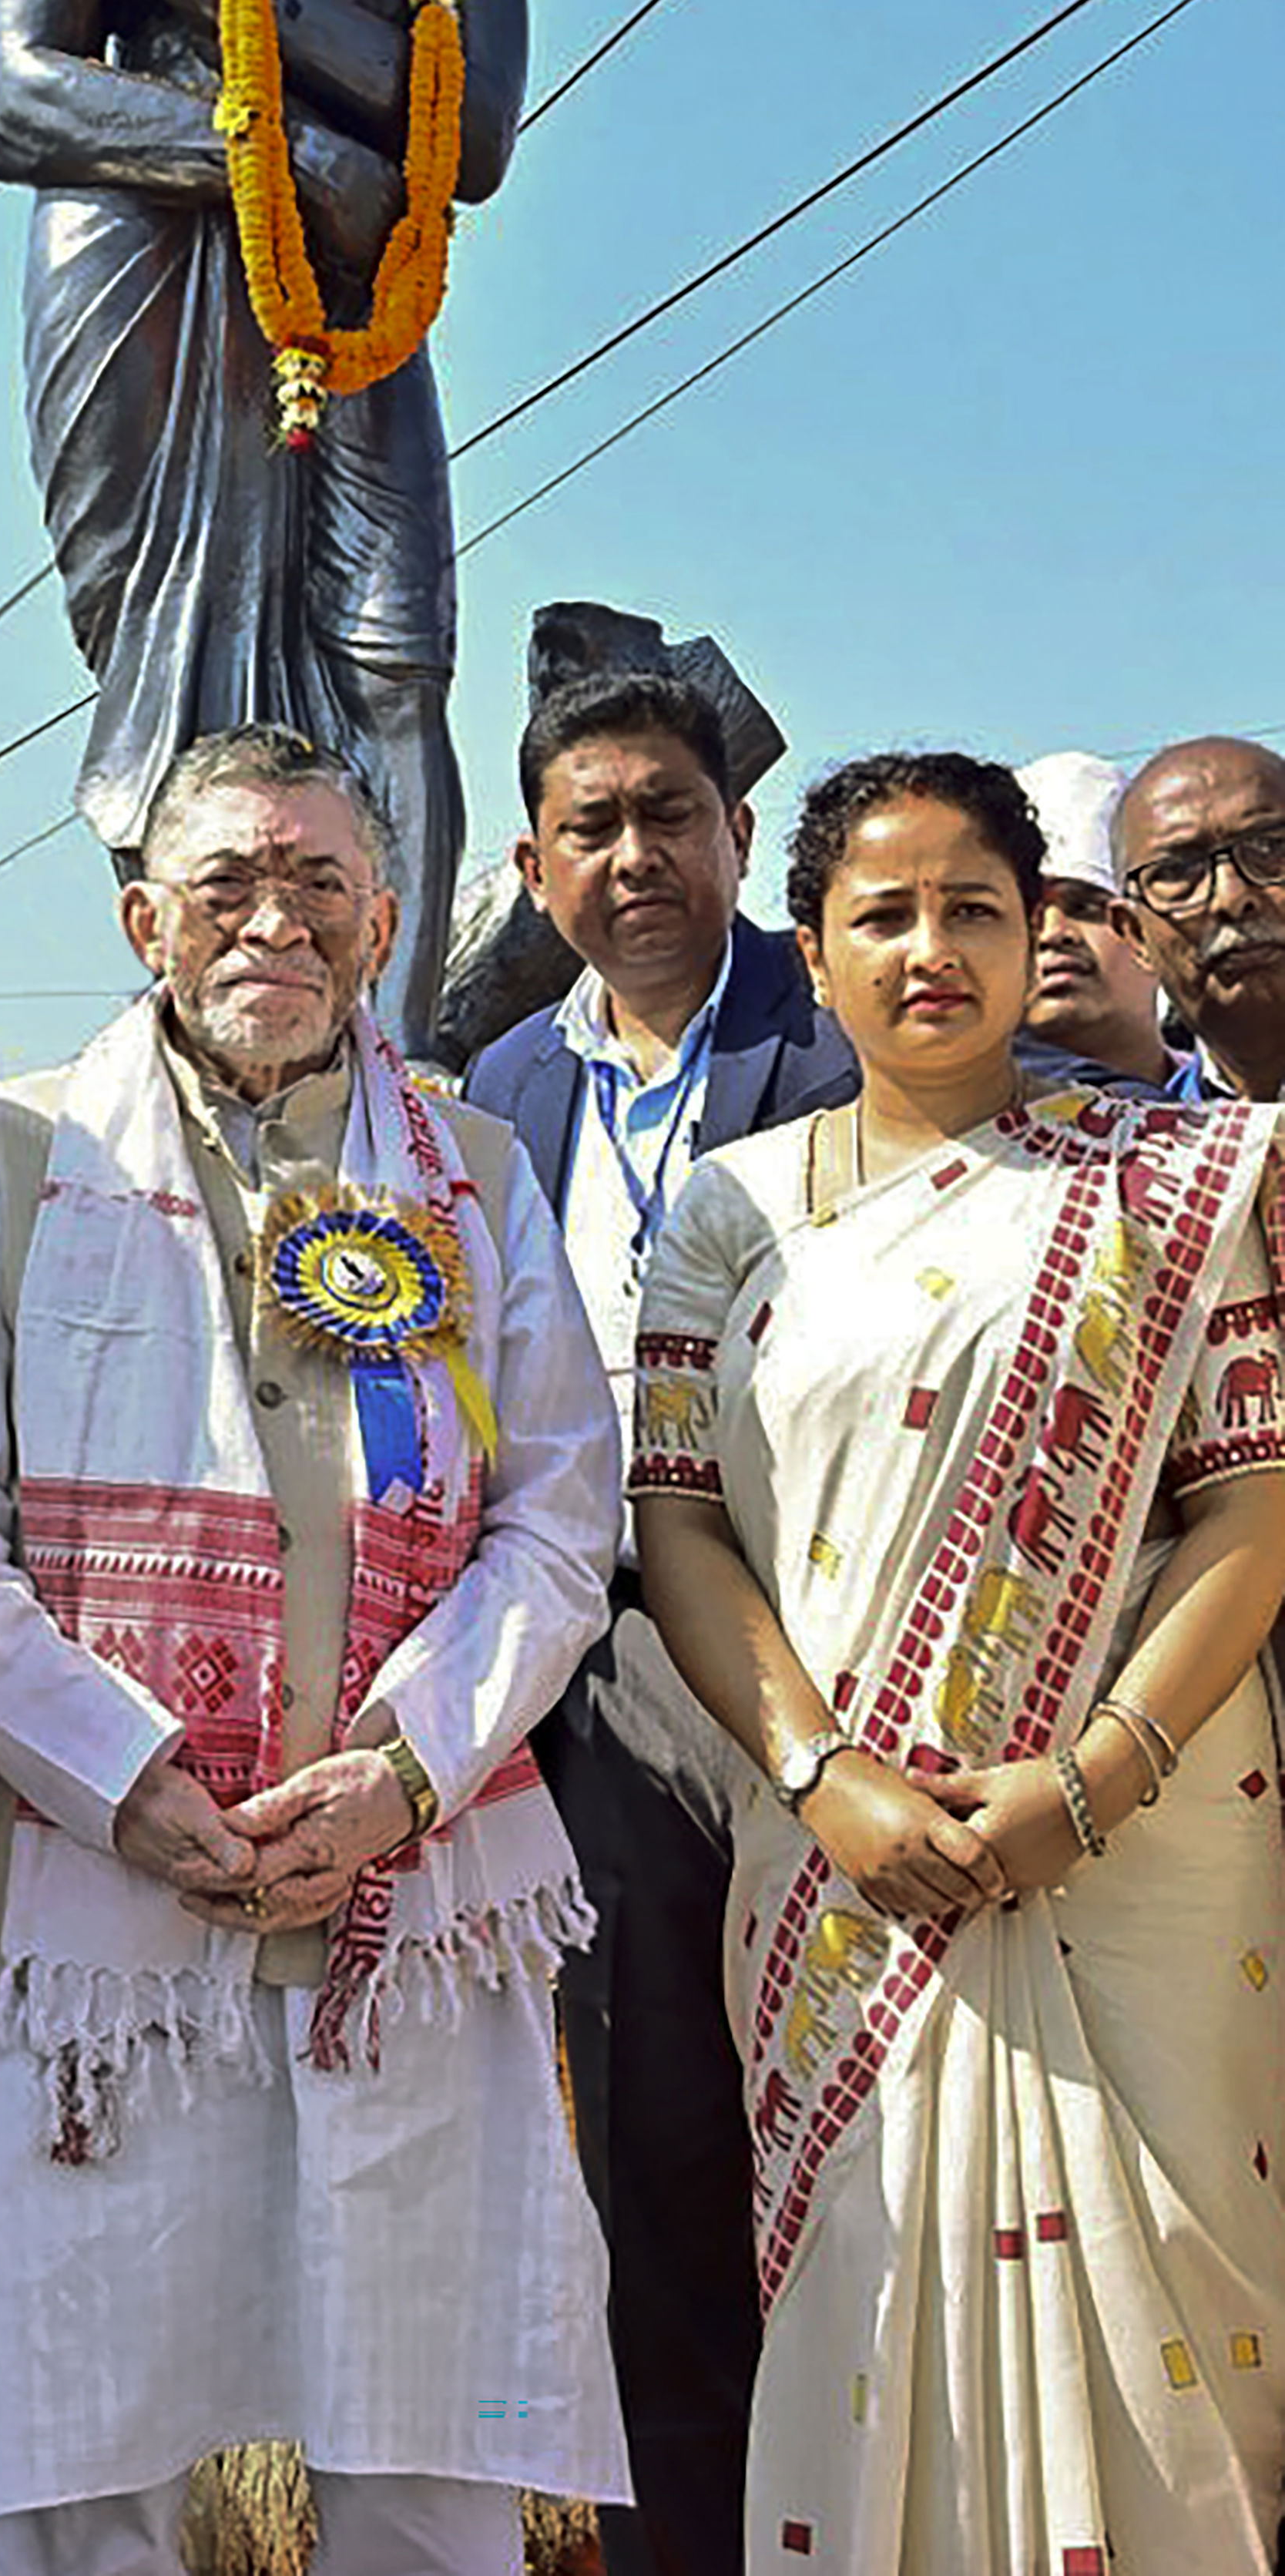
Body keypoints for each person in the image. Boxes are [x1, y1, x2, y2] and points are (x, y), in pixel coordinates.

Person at [0, 723, 629, 2575]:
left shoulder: (477, 1169)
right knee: (69, 2434)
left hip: (402, 1891)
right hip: (94, 1904)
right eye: (228, 881)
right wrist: (125, 1779)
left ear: (385, 917)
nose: (278, 914)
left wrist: (406, 1765)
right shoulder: (10, 1156)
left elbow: (561, 1511)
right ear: (141, 918)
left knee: (423, 2438)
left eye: (319, 879)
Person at [634, 749, 1285, 2573]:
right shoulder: (724, 1215)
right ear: (814, 953)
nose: (934, 946)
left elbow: (1254, 1501)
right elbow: (678, 1524)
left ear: (1042, 926)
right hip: (844, 1867)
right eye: (885, 914)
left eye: (976, 906)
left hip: (1144, 1845)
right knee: (871, 2312)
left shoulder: (1174, 1179)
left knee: (1182, 2354)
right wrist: (820, 1772)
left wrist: (1099, 1771)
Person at [0, 0, 532, 1051]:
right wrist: (278, 153)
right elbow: (18, 100)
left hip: (364, 276)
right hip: (133, 252)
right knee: (146, 641)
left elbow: (476, 128)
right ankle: (216, 1022)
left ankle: (402, 1050)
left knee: (397, 653)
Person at [464, 667, 854, 2576]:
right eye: (594, 824)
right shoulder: (500, 1093)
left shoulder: (846, 1022)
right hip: (596, 1667)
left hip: (831, 1636)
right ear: (536, 865)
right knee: (656, 2134)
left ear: (737, 836)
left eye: (672, 812)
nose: (638, 855)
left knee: (865, 2111)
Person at [1116, 735, 1285, 1101]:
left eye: (1271, 848)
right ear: (1136, 936)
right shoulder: (1145, 1147)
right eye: (1178, 872)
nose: (1231, 897)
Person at [1015, 747, 1177, 1087]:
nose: (1054, 934)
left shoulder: (1246, 1108)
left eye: (1086, 907)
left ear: (1144, 931)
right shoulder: (944, 1129)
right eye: (1028, 915)